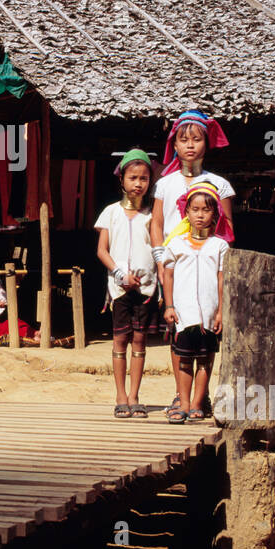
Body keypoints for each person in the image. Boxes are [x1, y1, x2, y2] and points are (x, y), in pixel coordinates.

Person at [150, 109, 235, 419]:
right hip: (175, 263)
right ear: (174, 144)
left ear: (206, 143)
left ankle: (200, 397)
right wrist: (160, 259)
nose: (190, 145)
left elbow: (226, 227)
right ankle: (180, 395)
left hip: (208, 261)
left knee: (206, 327)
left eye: (196, 139)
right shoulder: (165, 183)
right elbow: (157, 223)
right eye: (183, 140)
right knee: (178, 328)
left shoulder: (219, 184)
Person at [95, 149, 158, 418]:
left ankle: (135, 395)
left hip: (146, 287)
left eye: (144, 178)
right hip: (119, 288)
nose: (138, 183)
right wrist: (120, 274)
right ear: (122, 180)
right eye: (132, 177)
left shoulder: (153, 215)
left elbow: (158, 247)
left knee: (141, 339)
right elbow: (102, 251)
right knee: (120, 339)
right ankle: (120, 395)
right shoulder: (111, 212)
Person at [158, 182, 228, 423]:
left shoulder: (220, 246)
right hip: (183, 314)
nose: (200, 215)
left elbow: (221, 278)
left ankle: (198, 404)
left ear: (215, 214)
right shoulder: (175, 244)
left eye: (206, 210)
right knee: (185, 361)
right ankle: (184, 403)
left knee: (205, 360)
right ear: (185, 212)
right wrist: (169, 306)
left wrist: (220, 311)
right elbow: (168, 275)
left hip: (209, 315)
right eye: (195, 209)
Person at [0, 278, 39, 343]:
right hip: (0, 322)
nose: (18, 280)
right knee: (16, 329)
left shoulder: (16, 287)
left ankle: (35, 334)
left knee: (23, 326)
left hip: (13, 318)